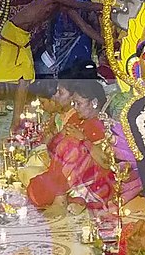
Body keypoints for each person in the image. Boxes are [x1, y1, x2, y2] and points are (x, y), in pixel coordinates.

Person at [0, 0, 103, 137]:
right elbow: (81, 5)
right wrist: (102, 6)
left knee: (25, 80)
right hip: (11, 34)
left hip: (23, 39)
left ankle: (15, 124)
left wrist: (107, 43)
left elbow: (84, 27)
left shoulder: (64, 6)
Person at [25, 81, 116, 210]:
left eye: (79, 104)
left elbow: (107, 163)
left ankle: (64, 198)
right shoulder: (77, 119)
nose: (75, 108)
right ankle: (69, 198)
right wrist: (58, 136)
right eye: (74, 103)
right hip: (63, 177)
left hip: (92, 181)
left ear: (94, 103)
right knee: (34, 186)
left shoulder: (102, 126)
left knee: (71, 145)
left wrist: (83, 140)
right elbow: (53, 152)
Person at [46, 0, 101, 76]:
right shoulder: (54, 1)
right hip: (60, 46)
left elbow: (92, 23)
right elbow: (50, 23)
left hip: (81, 44)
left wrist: (100, 43)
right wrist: (48, 42)